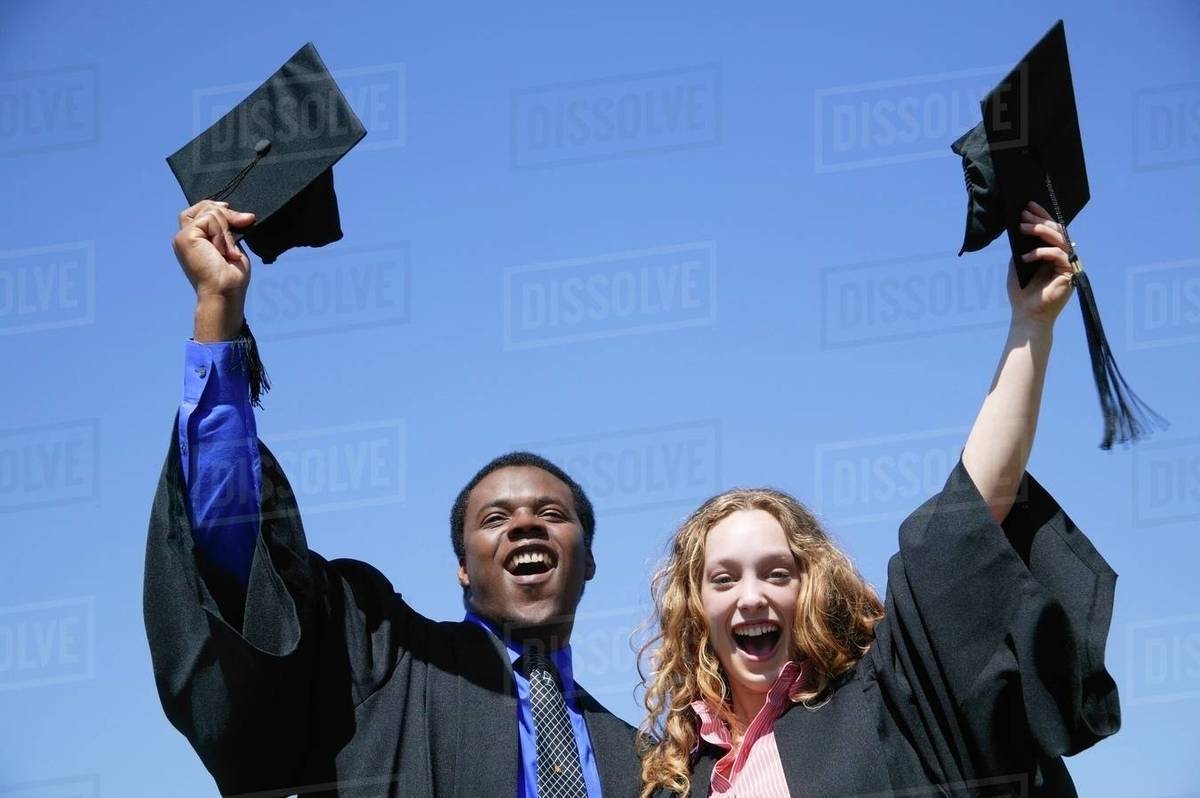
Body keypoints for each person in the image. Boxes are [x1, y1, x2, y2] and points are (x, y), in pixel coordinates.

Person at [143, 200, 641, 798]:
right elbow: (237, 551)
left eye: (552, 514)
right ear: (462, 566)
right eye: (495, 519)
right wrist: (217, 310)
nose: (525, 526)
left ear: (587, 559)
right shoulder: (381, 663)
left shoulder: (647, 763)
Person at [636, 202, 1120, 798]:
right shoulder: (674, 781)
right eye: (724, 579)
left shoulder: (881, 704)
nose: (752, 595)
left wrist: (1030, 327)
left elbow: (959, 536)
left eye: (776, 572)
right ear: (695, 607)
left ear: (811, 586)